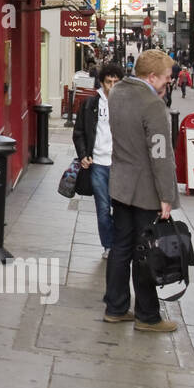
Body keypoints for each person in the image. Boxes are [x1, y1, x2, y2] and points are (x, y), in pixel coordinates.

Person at [103, 49, 182, 332]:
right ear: (151, 76)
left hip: (121, 184)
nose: (168, 83)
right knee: (146, 251)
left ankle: (115, 307)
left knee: (120, 247)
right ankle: (148, 316)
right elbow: (160, 154)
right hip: (146, 190)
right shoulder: (152, 105)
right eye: (166, 78)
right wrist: (167, 196)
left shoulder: (119, 92)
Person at [74, 63, 125, 260]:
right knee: (103, 209)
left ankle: (120, 244)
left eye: (116, 82)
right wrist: (83, 155)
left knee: (120, 209)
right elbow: (78, 132)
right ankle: (109, 245)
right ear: (102, 82)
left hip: (120, 165)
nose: (112, 86)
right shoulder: (90, 104)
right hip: (98, 165)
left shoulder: (126, 105)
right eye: (108, 82)